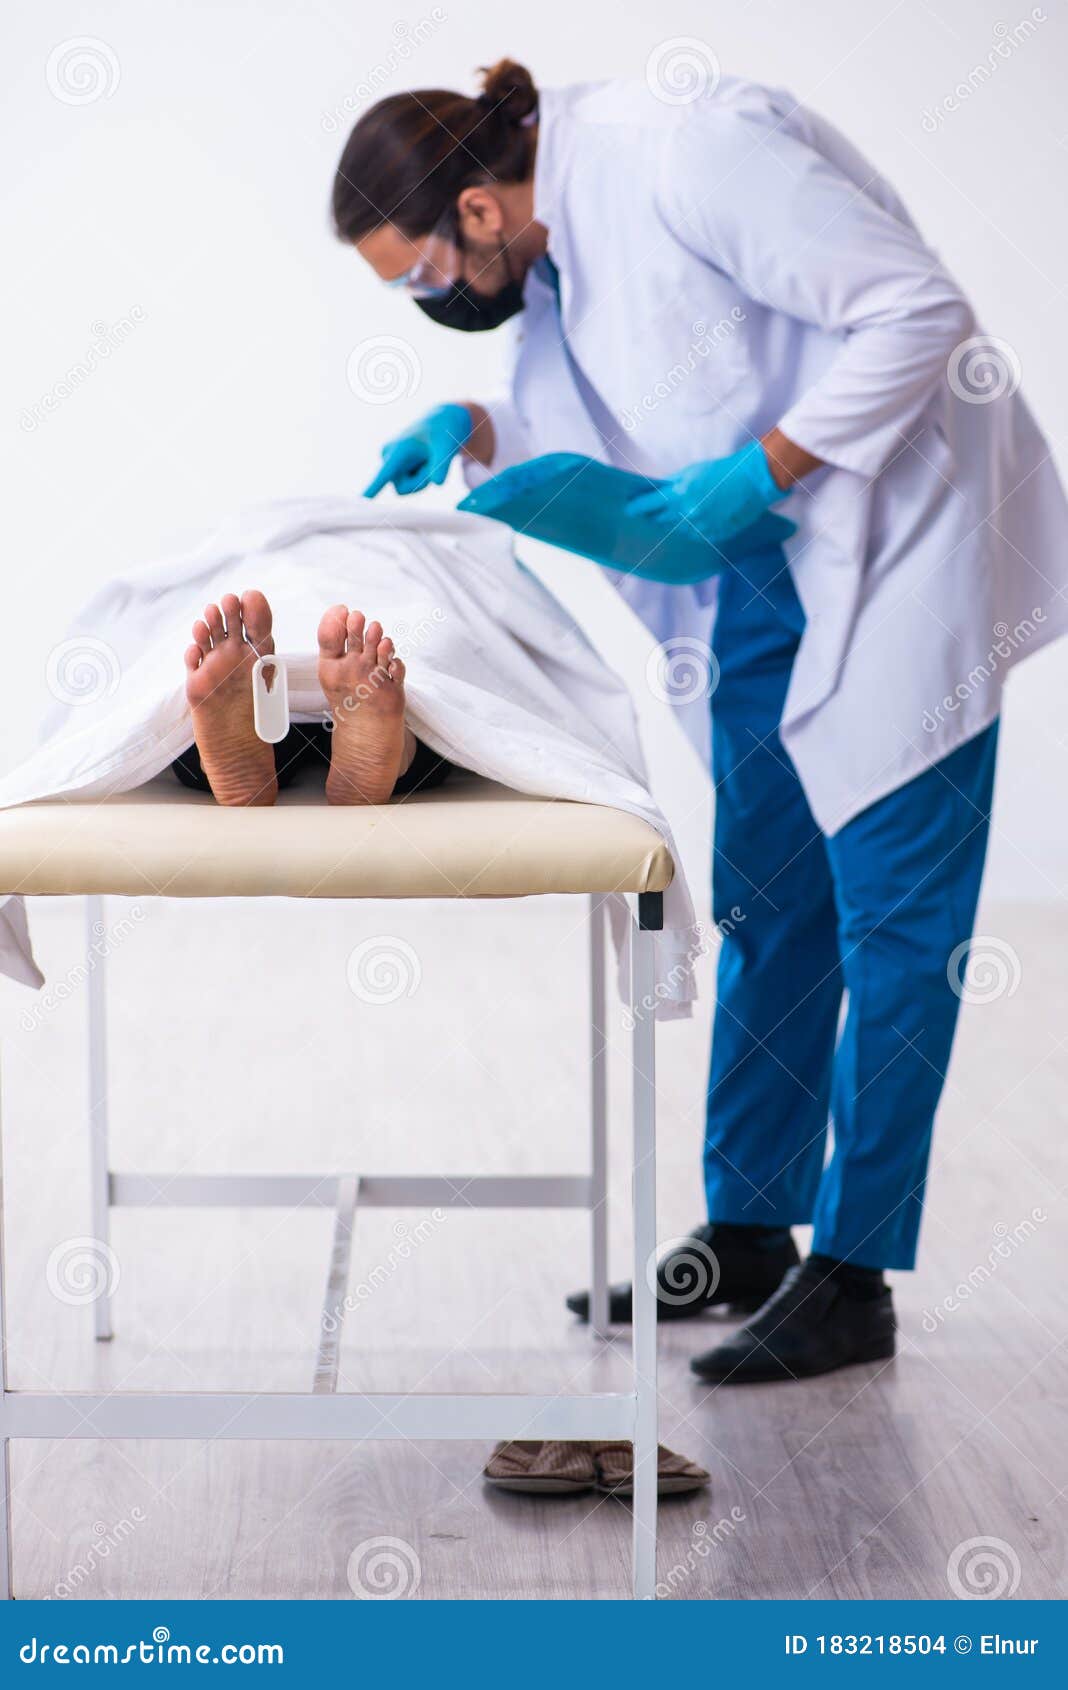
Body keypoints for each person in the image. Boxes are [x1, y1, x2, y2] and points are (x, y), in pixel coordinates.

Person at [332, 59, 1068, 1384]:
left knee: (897, 915)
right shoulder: (547, 248)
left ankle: (854, 1273)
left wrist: (760, 469)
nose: (425, 298)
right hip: (767, 556)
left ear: (479, 216)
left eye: (418, 272)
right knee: (772, 890)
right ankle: (747, 1230)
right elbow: (594, 409)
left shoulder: (685, 149)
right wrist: (474, 419)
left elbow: (918, 311)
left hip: (902, 520)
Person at [174, 590, 452, 806]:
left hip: (274, 722)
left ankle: (203, 762)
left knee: (185, 736)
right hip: (358, 704)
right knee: (436, 725)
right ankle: (403, 752)